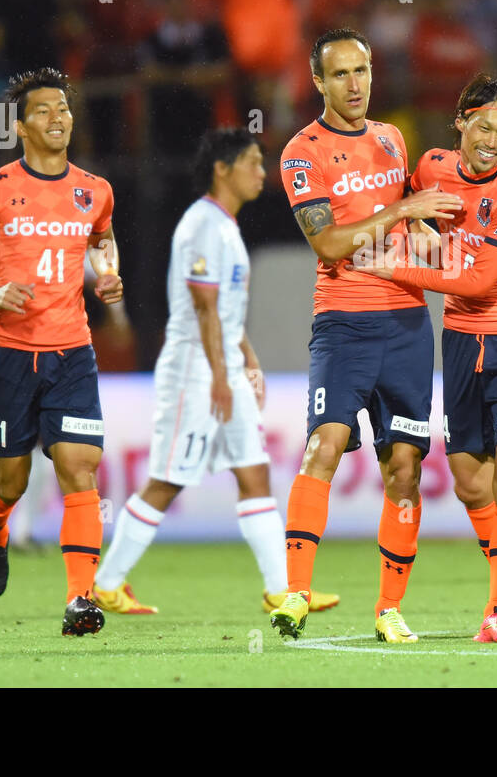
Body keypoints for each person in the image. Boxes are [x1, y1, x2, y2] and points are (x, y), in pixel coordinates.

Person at [92, 128, 339, 616]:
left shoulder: (225, 225)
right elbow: (204, 309)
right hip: (194, 371)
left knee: (254, 472)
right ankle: (106, 583)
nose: (261, 173)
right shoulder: (203, 224)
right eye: (252, 162)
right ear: (222, 169)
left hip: (221, 362)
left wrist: (246, 357)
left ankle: (281, 591)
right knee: (168, 479)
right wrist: (221, 377)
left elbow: (224, 308)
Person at [269, 28, 462, 643]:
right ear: (319, 82)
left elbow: (411, 231)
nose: (356, 85)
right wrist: (402, 214)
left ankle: (388, 609)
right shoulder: (302, 152)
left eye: (364, 71)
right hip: (344, 326)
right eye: (342, 75)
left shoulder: (391, 139)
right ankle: (296, 592)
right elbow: (327, 242)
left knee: (404, 469)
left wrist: (438, 240)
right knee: (323, 446)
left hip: (407, 324)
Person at [358, 74, 497, 643]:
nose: (492, 140)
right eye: (484, 126)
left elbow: (478, 278)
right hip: (463, 342)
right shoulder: (433, 167)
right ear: (461, 121)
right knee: (470, 484)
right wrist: (413, 228)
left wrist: (392, 265)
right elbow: (407, 206)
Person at [0, 67, 123, 636]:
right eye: (43, 111)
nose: (58, 118)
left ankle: (79, 601)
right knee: (12, 482)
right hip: (12, 356)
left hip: (72, 352)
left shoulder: (95, 189)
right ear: (20, 126)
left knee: (79, 469)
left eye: (63, 109)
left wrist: (108, 274)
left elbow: (102, 238)